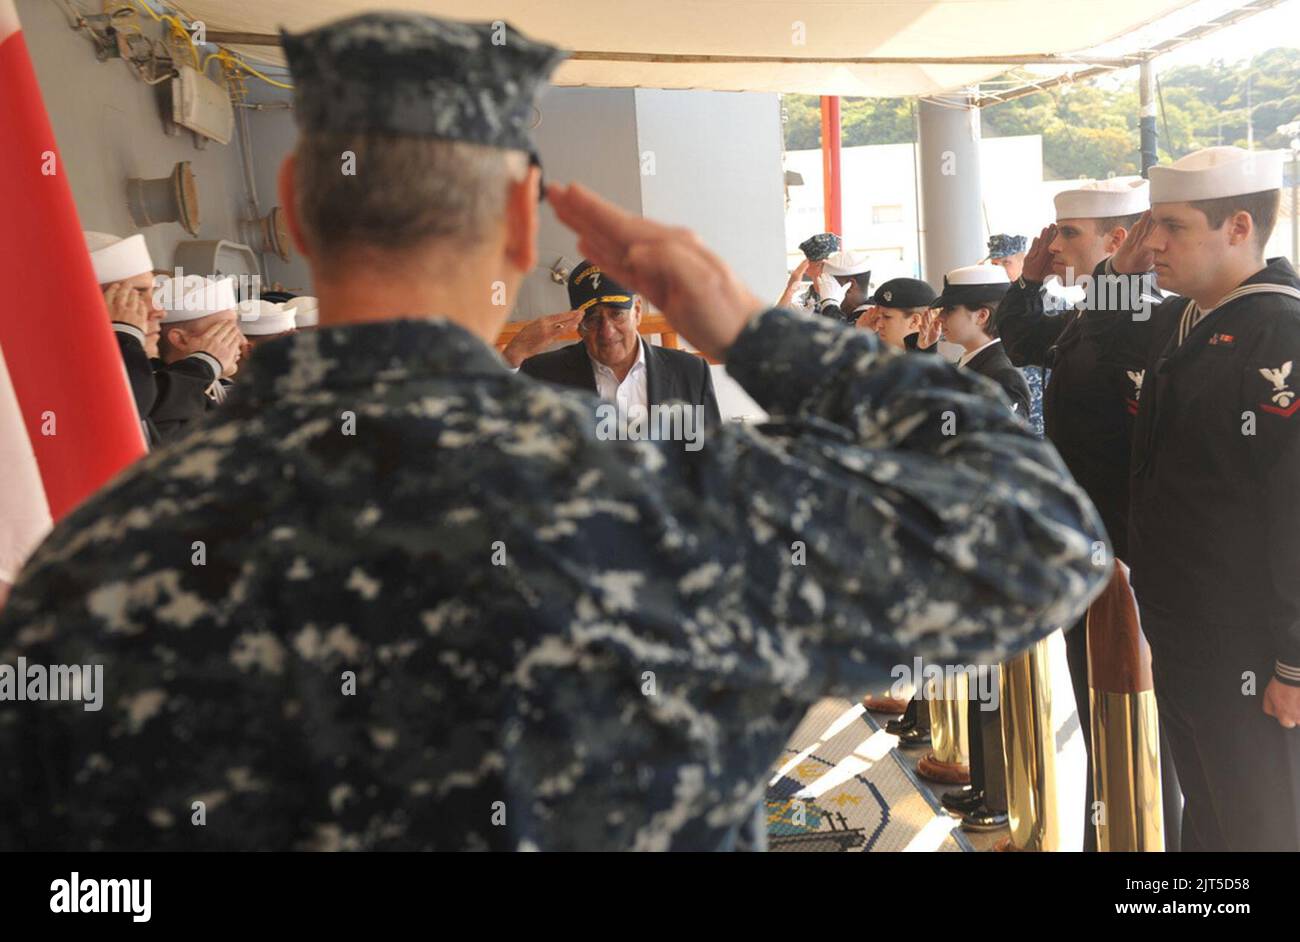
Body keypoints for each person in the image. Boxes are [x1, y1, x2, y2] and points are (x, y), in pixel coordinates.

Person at [0, 12, 1109, 852]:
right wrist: (756, 330)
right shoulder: (703, 513)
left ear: (294, 204)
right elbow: (1048, 536)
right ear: (524, 220)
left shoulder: (95, 566)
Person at [1104, 146, 1300, 851]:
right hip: (1186, 631)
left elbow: (1294, 511)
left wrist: (1293, 662)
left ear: (1239, 227)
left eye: (1174, 227)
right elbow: (1084, 341)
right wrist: (1115, 276)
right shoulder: (1184, 319)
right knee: (1211, 817)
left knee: (1261, 824)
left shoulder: (1281, 331)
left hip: (1248, 643)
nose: (1151, 242)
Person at [993, 178, 1156, 850]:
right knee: (1097, 713)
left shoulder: (1146, 322)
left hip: (1126, 558)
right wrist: (1028, 280)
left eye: (1070, 234)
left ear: (1119, 243)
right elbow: (1025, 337)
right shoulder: (1087, 316)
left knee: (1135, 733)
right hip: (1084, 551)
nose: (1057, 246)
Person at [505, 260, 721, 434]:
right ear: (579, 326)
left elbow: (714, 464)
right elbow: (502, 441)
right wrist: (513, 355)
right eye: (593, 319)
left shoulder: (690, 373)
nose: (607, 331)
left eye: (616, 314)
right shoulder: (544, 375)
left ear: (636, 311)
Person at [152, 274, 243, 440]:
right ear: (181, 339)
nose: (242, 341)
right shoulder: (160, 399)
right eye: (225, 329)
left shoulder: (217, 389)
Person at [933, 265, 1030, 416]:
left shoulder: (1003, 375)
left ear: (982, 316)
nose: (940, 317)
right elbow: (948, 426)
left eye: (950, 309)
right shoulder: (968, 363)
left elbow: (1003, 438)